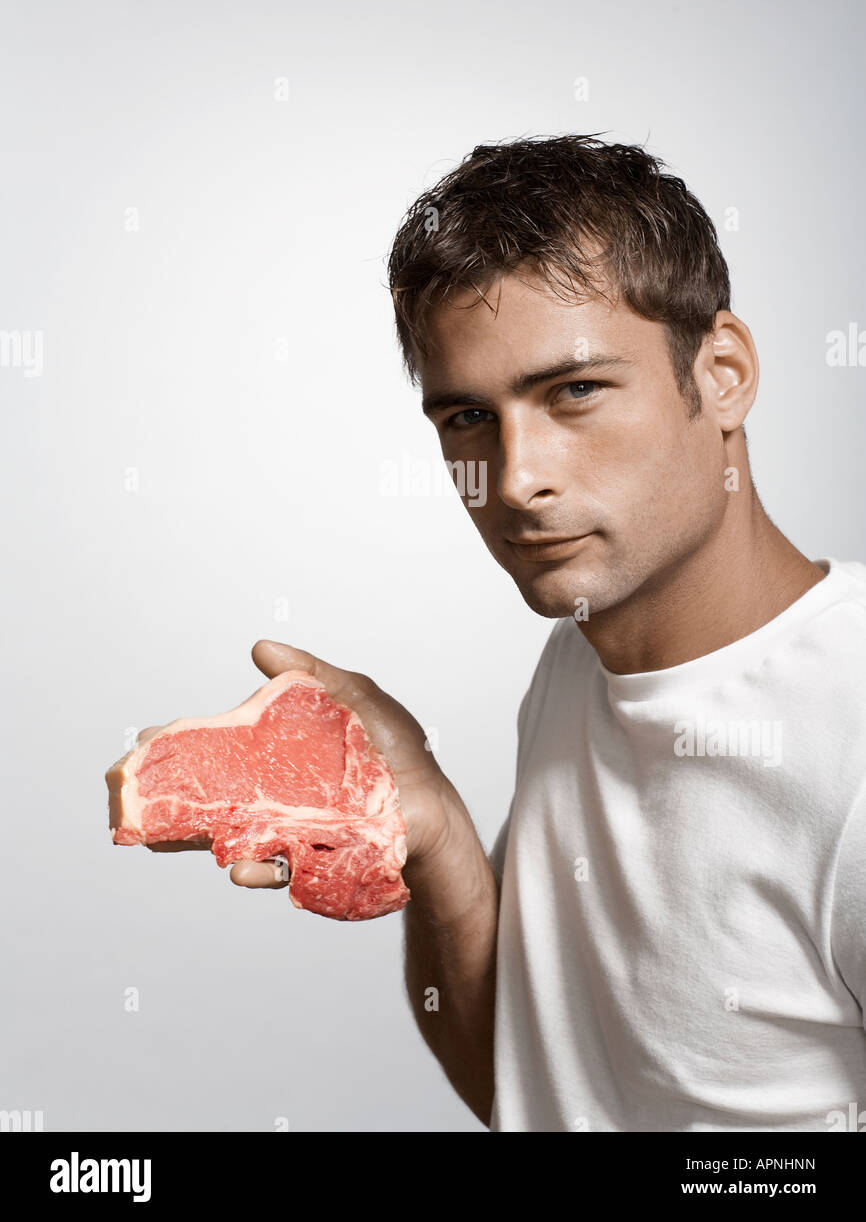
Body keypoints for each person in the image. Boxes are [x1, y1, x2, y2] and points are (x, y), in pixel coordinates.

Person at [149, 135, 866, 1132]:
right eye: (466, 418)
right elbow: (531, 1094)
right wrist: (435, 833)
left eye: (572, 391)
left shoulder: (847, 738)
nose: (517, 477)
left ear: (724, 372)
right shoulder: (577, 659)